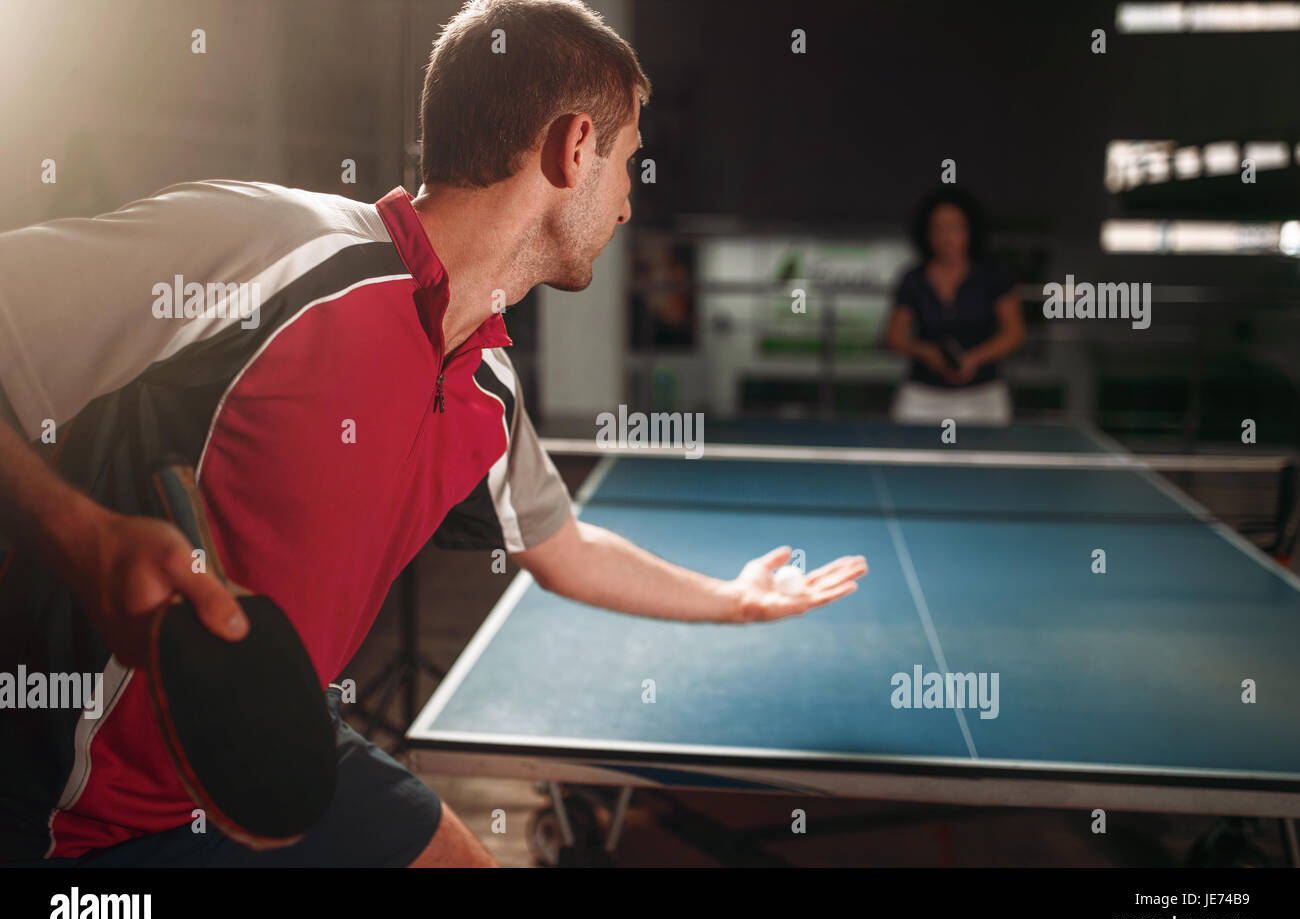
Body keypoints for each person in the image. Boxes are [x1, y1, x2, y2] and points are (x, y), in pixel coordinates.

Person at [0, 0, 865, 867]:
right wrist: (81, 537)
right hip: (71, 807)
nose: (631, 204)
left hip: (284, 742)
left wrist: (735, 599)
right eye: (630, 163)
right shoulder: (273, 251)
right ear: (573, 150)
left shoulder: (488, 387)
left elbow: (566, 550)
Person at [884, 187, 1025, 425]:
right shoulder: (913, 279)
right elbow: (895, 336)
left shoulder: (992, 275)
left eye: (954, 227)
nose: (946, 237)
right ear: (926, 233)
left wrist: (974, 359)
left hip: (984, 395)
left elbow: (1014, 333)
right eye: (938, 228)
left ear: (969, 231)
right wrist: (927, 353)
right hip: (922, 395)